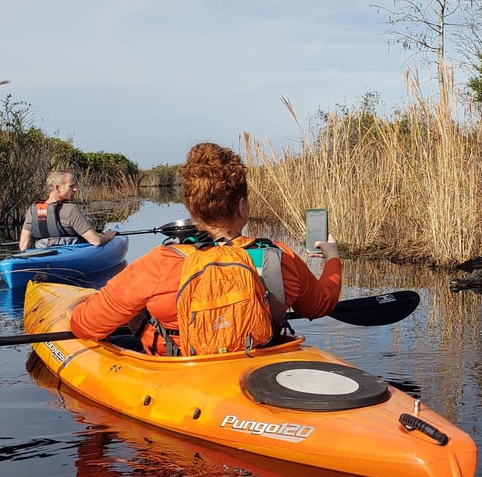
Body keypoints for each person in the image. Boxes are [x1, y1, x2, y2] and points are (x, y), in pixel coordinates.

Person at [69, 142, 342, 355]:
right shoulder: (279, 257)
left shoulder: (160, 263)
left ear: (191, 210)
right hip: (258, 365)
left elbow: (85, 324)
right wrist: (332, 258)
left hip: (181, 376)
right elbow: (321, 305)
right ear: (243, 206)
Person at [18, 171, 118, 250]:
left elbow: (23, 246)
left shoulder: (33, 209)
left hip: (42, 252)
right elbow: (96, 241)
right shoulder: (71, 210)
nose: (75, 189)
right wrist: (108, 236)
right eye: (71, 186)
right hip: (69, 254)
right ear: (58, 188)